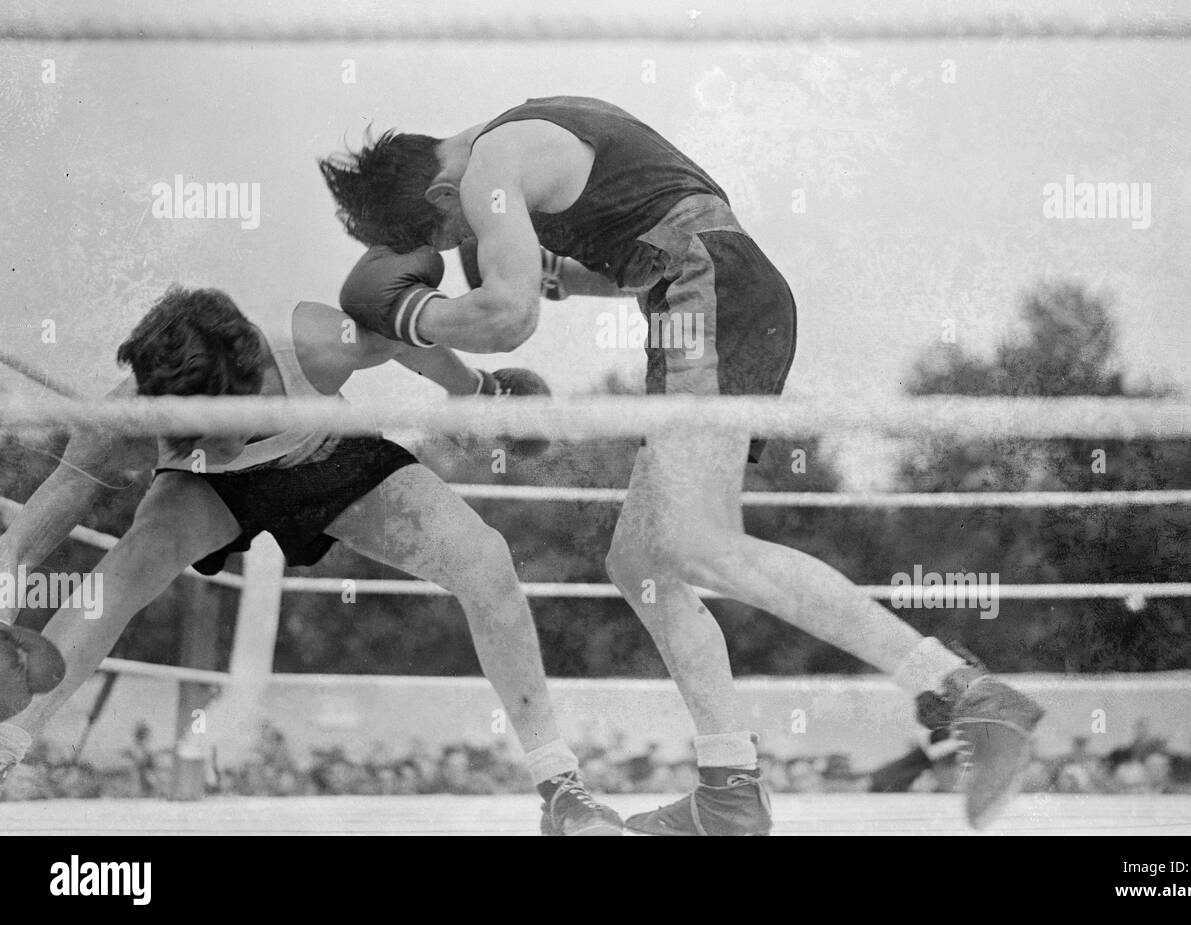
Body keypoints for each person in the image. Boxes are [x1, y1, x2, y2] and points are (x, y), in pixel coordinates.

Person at [319, 94, 1045, 833]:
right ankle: (730, 788)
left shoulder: (488, 169)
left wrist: (412, 313)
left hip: (708, 297)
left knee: (700, 541)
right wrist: (550, 269)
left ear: (443, 195)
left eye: (447, 233)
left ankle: (961, 688)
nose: (462, 238)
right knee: (641, 561)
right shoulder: (533, 136)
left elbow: (508, 318)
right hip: (704, 295)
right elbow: (639, 255)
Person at [0, 284, 621, 835]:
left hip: (334, 460)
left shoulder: (318, 342)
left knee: (486, 560)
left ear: (249, 375)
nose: (195, 437)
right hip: (209, 490)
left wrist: (477, 392)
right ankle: (3, 748)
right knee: (119, 576)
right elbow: (50, 507)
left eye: (209, 424)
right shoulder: (129, 408)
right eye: (179, 425)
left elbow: (407, 334)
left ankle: (560, 787)